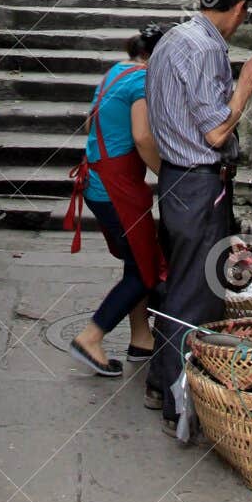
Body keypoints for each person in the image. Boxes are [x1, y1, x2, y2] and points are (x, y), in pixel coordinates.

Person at [145, 0, 252, 431]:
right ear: (237, 9)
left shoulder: (176, 38)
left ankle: (161, 381)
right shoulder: (207, 48)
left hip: (176, 179)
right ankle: (181, 403)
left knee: (181, 284)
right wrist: (246, 85)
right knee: (197, 297)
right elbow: (217, 131)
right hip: (199, 183)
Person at [63, 25, 167, 376]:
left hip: (98, 181)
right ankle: (91, 336)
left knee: (136, 259)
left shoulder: (118, 71)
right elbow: (141, 136)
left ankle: (141, 337)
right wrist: (167, 174)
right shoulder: (141, 82)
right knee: (144, 271)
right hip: (115, 190)